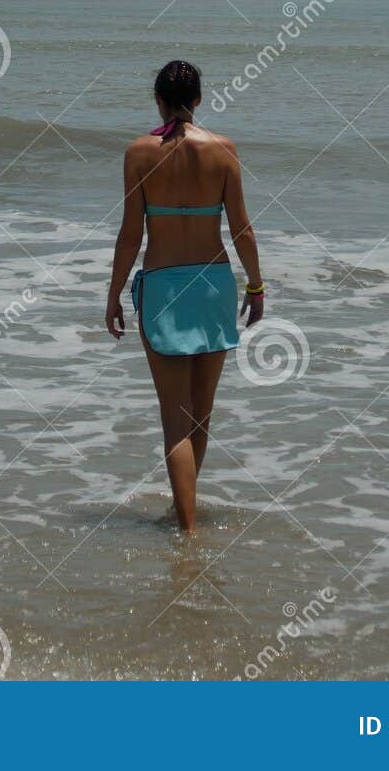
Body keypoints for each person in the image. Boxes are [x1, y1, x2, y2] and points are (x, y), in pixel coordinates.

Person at [105, 59, 265, 533]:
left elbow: (130, 233)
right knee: (200, 416)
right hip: (214, 284)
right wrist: (256, 287)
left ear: (158, 99)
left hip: (164, 288)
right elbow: (242, 229)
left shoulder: (138, 153)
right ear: (198, 100)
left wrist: (113, 294)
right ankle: (184, 512)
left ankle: (187, 530)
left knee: (175, 421)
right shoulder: (223, 149)